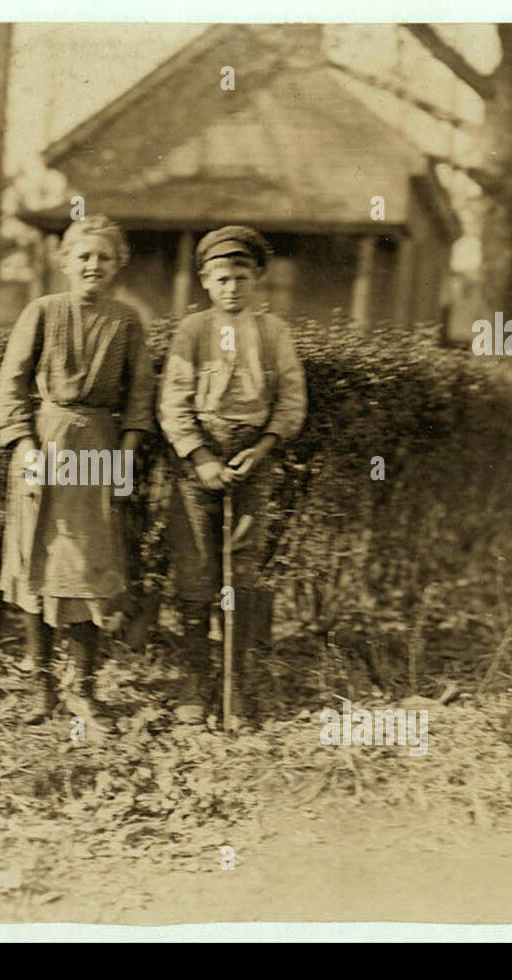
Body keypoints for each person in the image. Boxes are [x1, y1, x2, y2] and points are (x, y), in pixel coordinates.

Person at [0, 216, 155, 730]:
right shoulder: (41, 312)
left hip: (100, 448)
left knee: (87, 567)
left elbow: (140, 395)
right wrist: (23, 445)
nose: (93, 266)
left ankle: (83, 688)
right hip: (43, 444)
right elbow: (11, 384)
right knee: (34, 561)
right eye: (83, 256)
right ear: (64, 262)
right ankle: (42, 689)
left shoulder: (127, 322)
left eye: (104, 258)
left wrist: (125, 452)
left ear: (118, 265)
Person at [157, 225, 306, 729]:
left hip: (251, 459)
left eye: (242, 277)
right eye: (221, 278)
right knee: (196, 565)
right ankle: (195, 680)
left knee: (240, 569)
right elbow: (173, 400)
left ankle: (234, 684)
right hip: (197, 458)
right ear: (205, 281)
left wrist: (263, 448)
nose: (232, 287)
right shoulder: (192, 330)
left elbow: (290, 397)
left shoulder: (274, 332)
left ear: (257, 279)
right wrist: (199, 457)